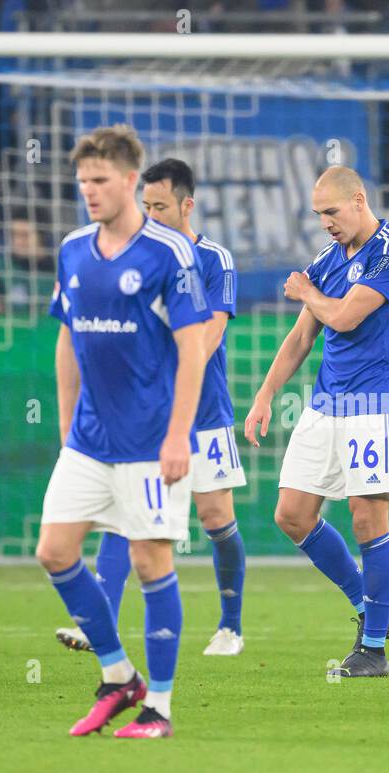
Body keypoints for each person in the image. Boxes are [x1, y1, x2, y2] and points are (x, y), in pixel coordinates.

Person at [35, 125, 209, 740]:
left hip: (148, 441)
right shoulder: (74, 249)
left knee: (149, 558)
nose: (89, 191)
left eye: (100, 181)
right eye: (82, 181)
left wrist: (177, 437)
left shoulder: (170, 254)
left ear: (130, 181)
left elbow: (194, 351)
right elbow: (66, 339)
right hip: (87, 441)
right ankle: (118, 676)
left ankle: (158, 706)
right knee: (54, 552)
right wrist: (65, 426)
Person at [55, 158, 249, 658]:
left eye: (161, 207)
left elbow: (209, 334)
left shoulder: (214, 259)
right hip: (142, 420)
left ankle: (231, 625)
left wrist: (167, 384)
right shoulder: (135, 255)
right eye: (146, 206)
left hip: (202, 414)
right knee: (125, 516)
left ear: (187, 205)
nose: (152, 215)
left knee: (215, 518)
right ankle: (99, 621)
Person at [243, 166, 389, 679]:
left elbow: (341, 317)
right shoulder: (326, 260)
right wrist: (265, 394)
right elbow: (302, 338)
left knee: (368, 520)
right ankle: (371, 608)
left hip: (375, 405)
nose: (325, 223)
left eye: (332, 212)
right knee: (291, 514)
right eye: (318, 214)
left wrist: (305, 293)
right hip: (325, 406)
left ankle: (372, 652)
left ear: (359, 200)